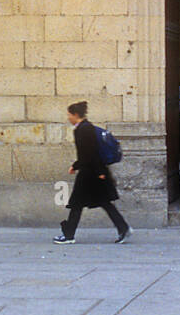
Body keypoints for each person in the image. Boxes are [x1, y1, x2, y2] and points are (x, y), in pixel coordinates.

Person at [54, 101, 131, 244]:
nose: (68, 118)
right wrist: (77, 166)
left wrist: (98, 171)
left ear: (76, 115)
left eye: (69, 115)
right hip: (92, 172)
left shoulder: (83, 129)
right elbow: (87, 153)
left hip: (90, 174)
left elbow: (90, 152)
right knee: (102, 202)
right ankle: (123, 228)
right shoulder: (85, 128)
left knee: (78, 203)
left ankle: (69, 235)